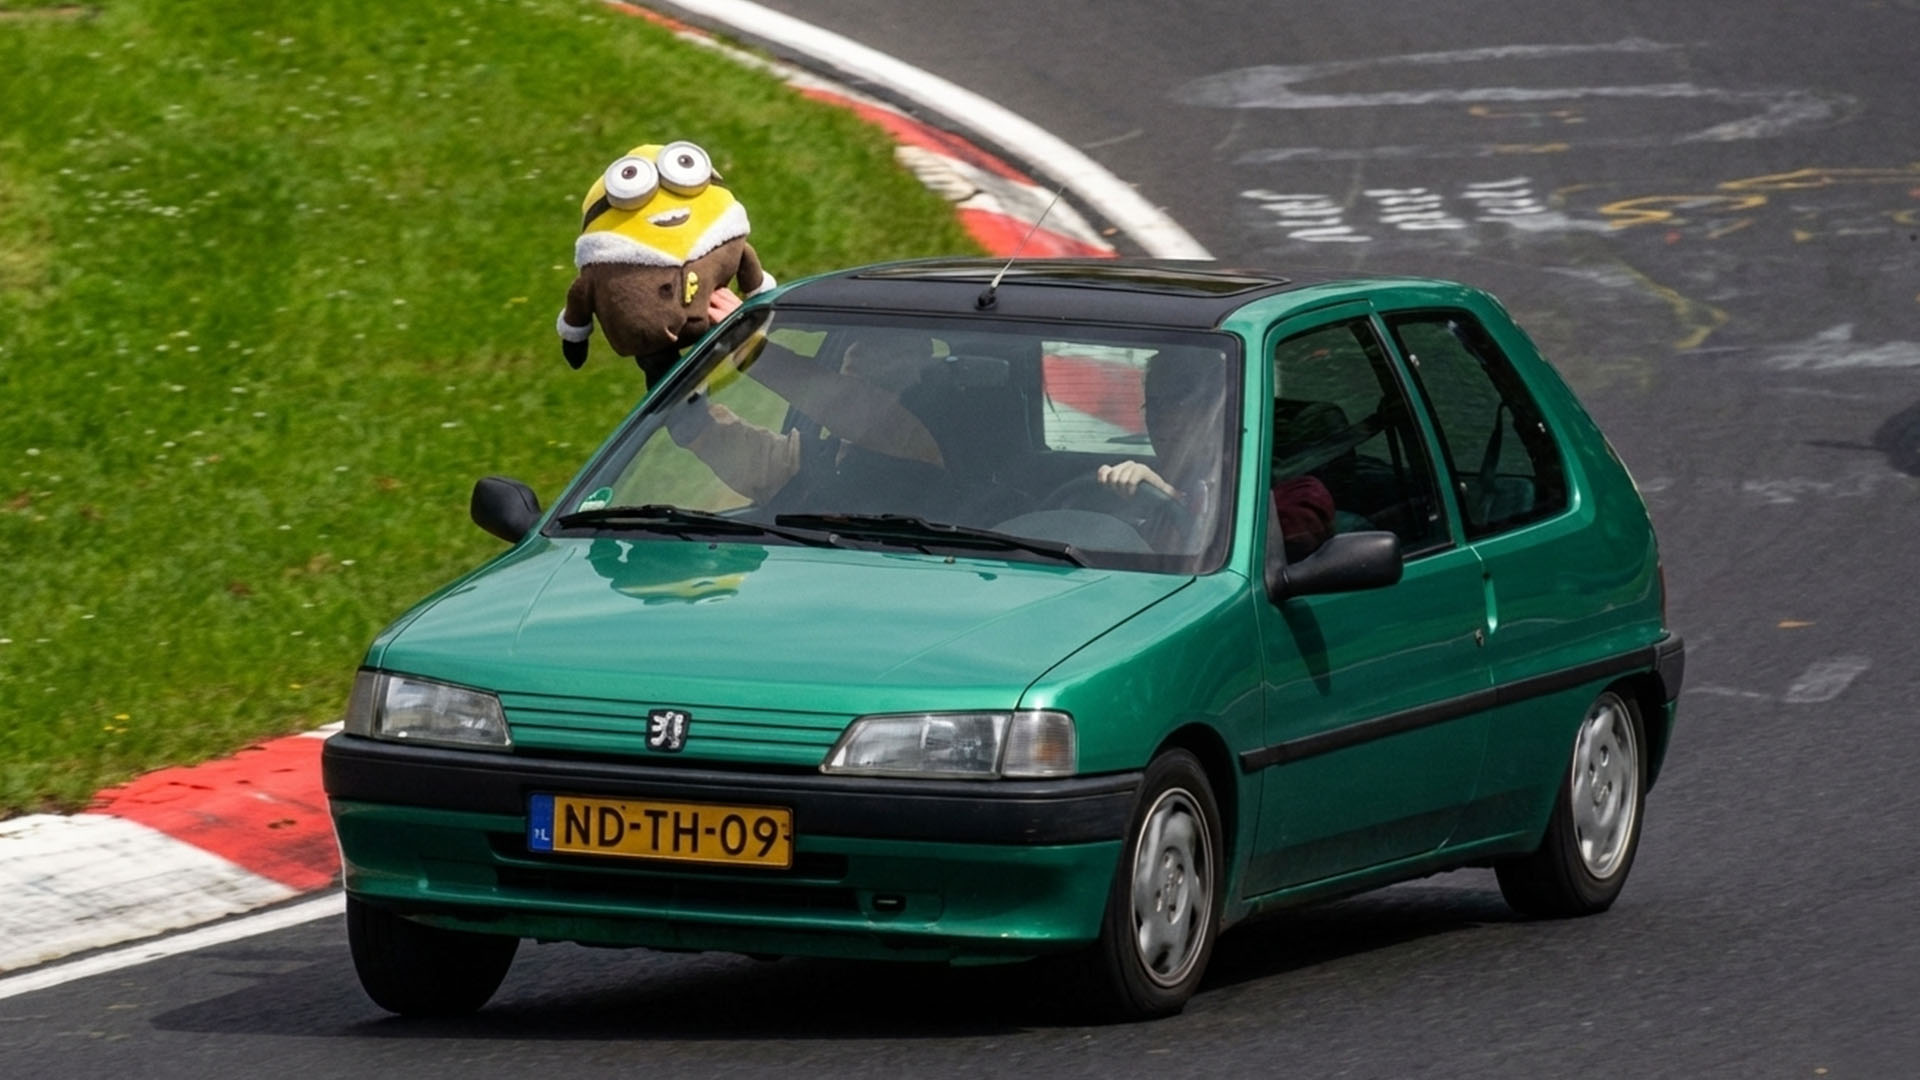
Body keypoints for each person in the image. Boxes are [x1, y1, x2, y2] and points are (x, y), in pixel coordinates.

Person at [1096, 349, 1333, 559]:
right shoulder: (1153, 486)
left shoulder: (1296, 494)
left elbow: (1243, 563)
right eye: (1154, 406)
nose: (1161, 420)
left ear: (1217, 410)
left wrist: (1168, 497)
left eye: (1177, 404)